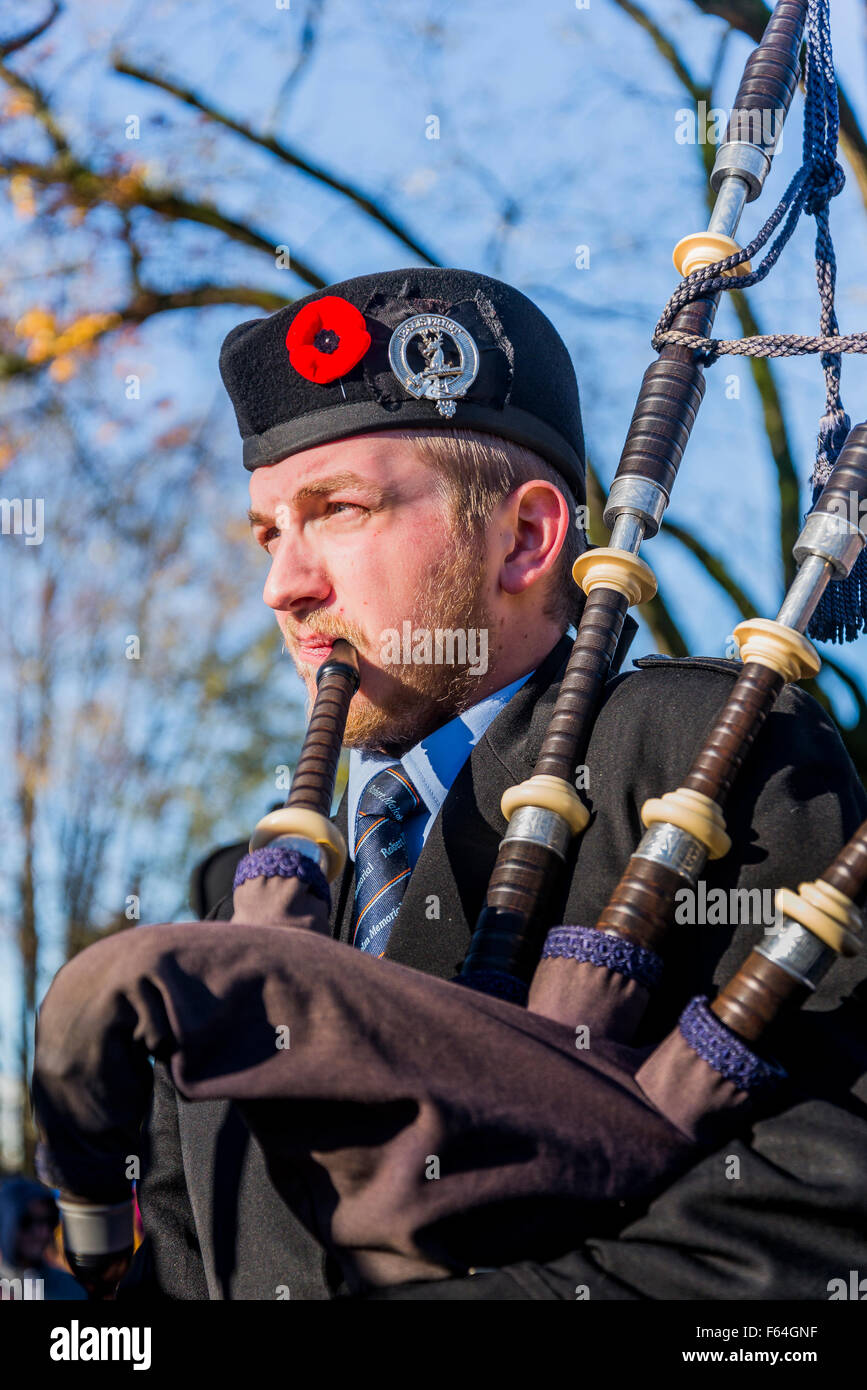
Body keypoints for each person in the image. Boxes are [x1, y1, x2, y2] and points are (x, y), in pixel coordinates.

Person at [117, 267, 867, 1301]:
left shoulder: (697, 753)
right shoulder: (229, 909)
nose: (284, 586)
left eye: (337, 510)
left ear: (524, 537)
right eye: (269, 532)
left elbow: (819, 1203)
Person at [0, 1177, 87, 1299]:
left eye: (48, 1221)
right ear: (6, 1224)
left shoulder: (71, 1289)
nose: (42, 1233)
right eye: (27, 1221)